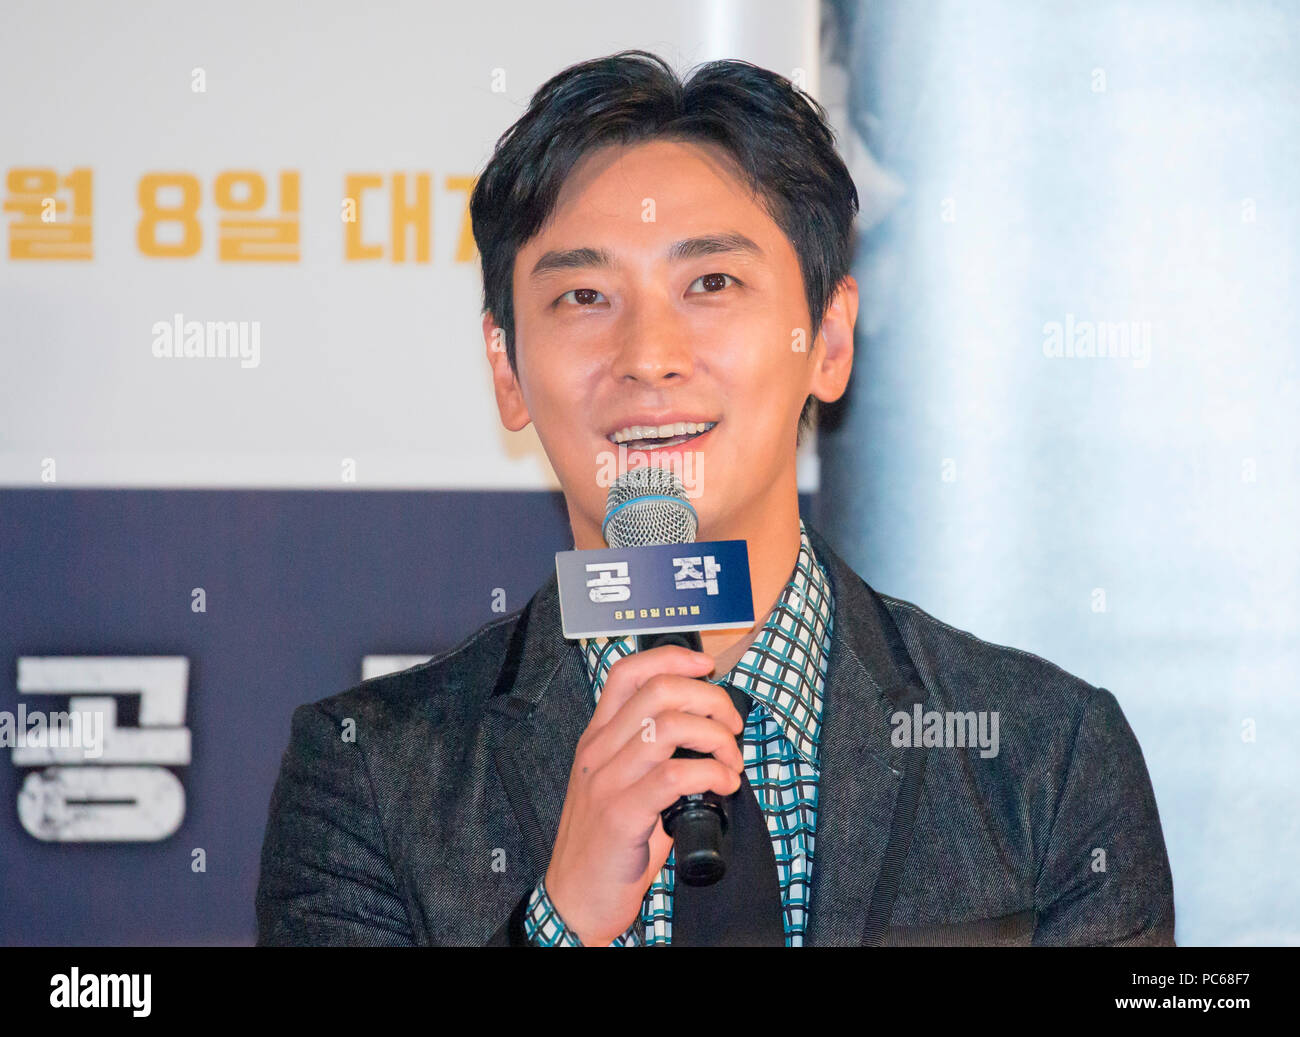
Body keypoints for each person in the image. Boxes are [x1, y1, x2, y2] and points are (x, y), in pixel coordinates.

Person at [255, 50, 1175, 946]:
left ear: (828, 338)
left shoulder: (1046, 757)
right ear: (508, 368)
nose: (648, 354)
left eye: (711, 283)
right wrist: (560, 925)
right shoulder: (368, 774)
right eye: (583, 294)